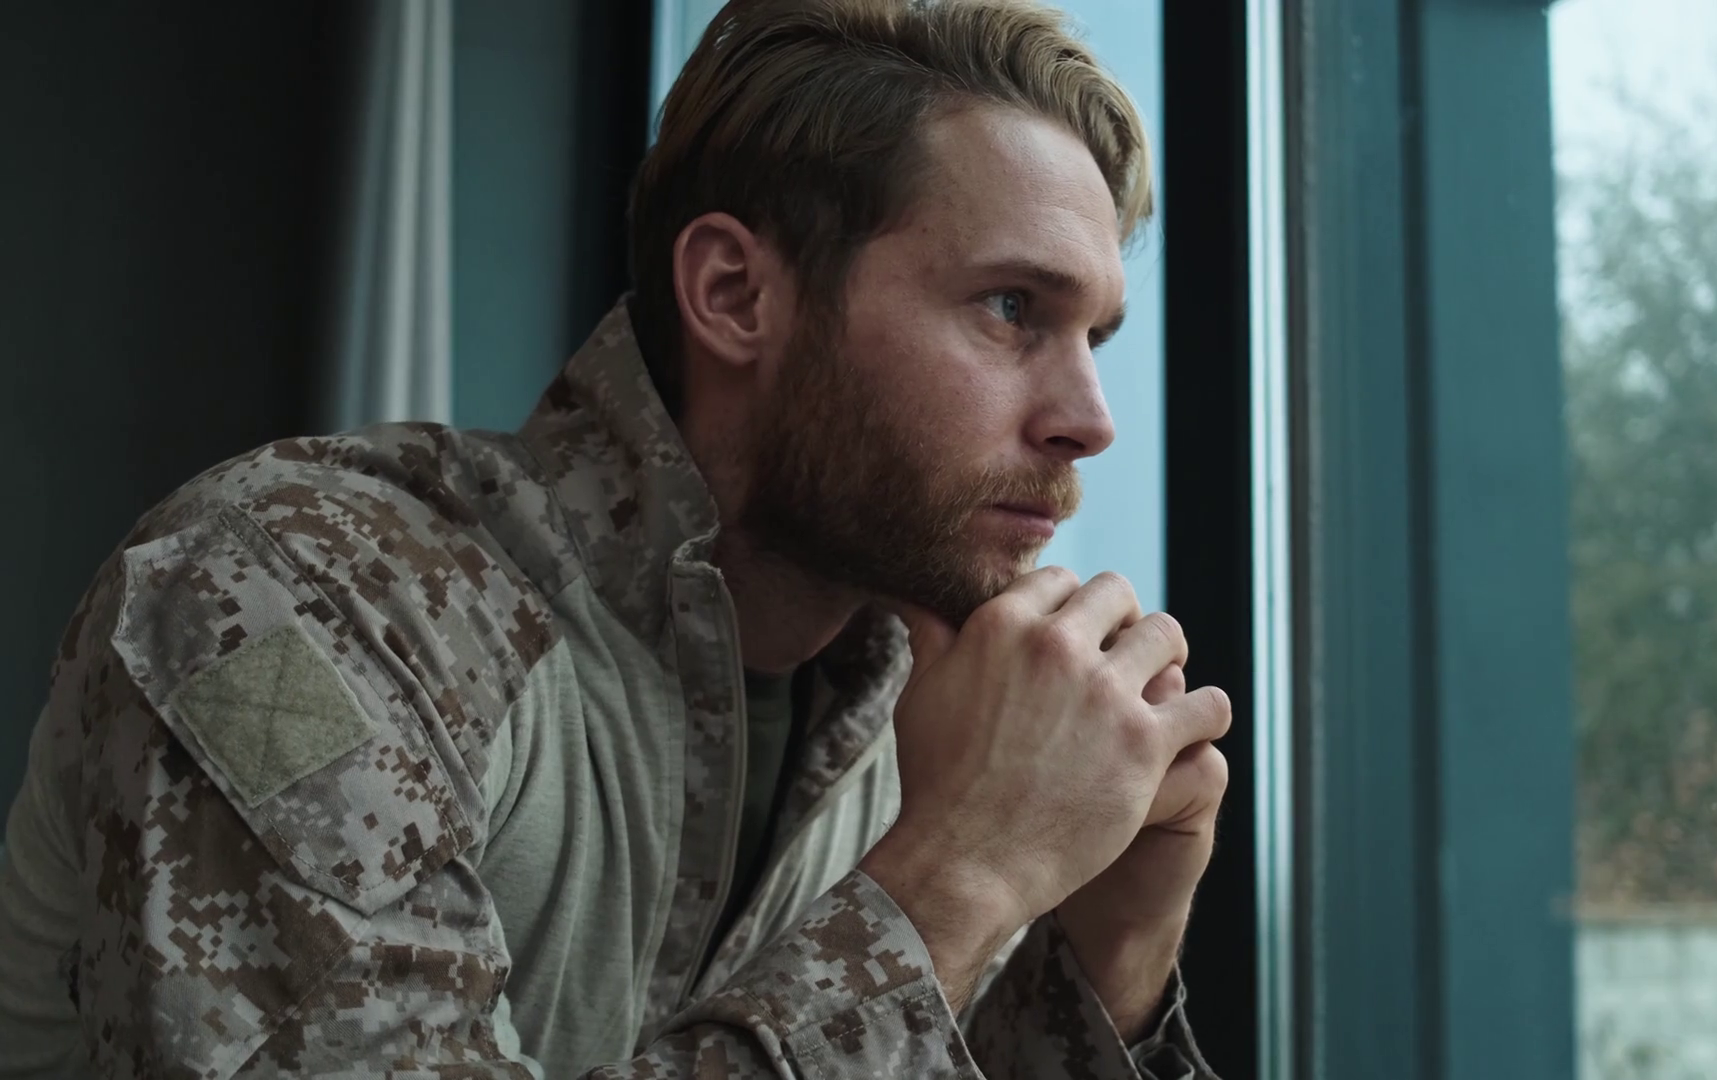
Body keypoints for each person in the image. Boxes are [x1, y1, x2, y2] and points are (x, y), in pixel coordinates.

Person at [0, 0, 1232, 1075]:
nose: (1090, 421)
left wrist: (1107, 957)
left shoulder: (934, 719)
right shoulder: (302, 590)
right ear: (736, 295)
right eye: (1013, 308)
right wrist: (959, 879)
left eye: (1098, 338)